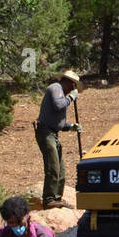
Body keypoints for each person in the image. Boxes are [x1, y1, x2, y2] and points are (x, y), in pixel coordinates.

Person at [35, 69, 80, 209]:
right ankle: (49, 199)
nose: (73, 89)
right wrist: (71, 97)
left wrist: (70, 126)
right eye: (73, 86)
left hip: (53, 132)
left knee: (61, 168)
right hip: (45, 132)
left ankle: (57, 198)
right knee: (53, 166)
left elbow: (57, 123)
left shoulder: (61, 93)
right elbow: (58, 105)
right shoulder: (56, 88)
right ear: (67, 82)